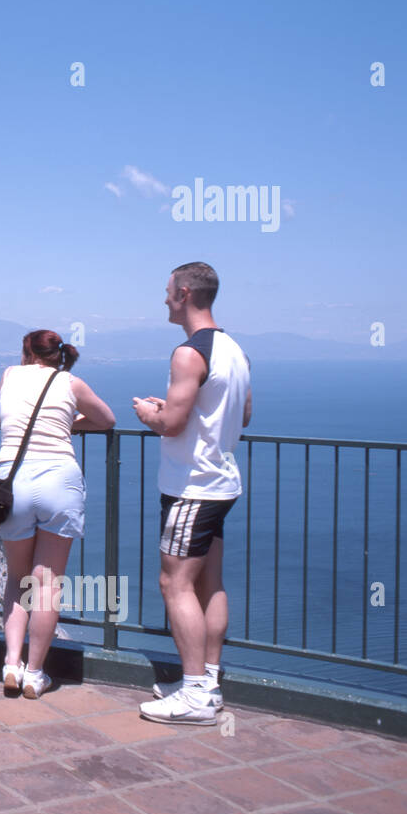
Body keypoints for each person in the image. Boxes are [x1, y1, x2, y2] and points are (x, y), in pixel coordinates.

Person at [133, 262, 252, 725]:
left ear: (184, 293)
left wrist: (150, 412)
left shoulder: (188, 353)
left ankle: (196, 694)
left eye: (167, 292)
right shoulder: (235, 351)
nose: (163, 299)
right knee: (209, 582)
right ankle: (210, 680)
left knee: (174, 582)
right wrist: (178, 412)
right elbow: (241, 415)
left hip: (191, 488)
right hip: (222, 483)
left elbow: (174, 424)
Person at [0, 330, 115, 697]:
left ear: (27, 352)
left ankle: (11, 664)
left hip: (12, 480)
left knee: (17, 578)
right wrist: (69, 423)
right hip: (58, 481)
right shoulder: (71, 383)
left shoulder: (9, 375)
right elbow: (107, 419)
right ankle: (35, 673)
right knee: (46, 585)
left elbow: (2, 414)